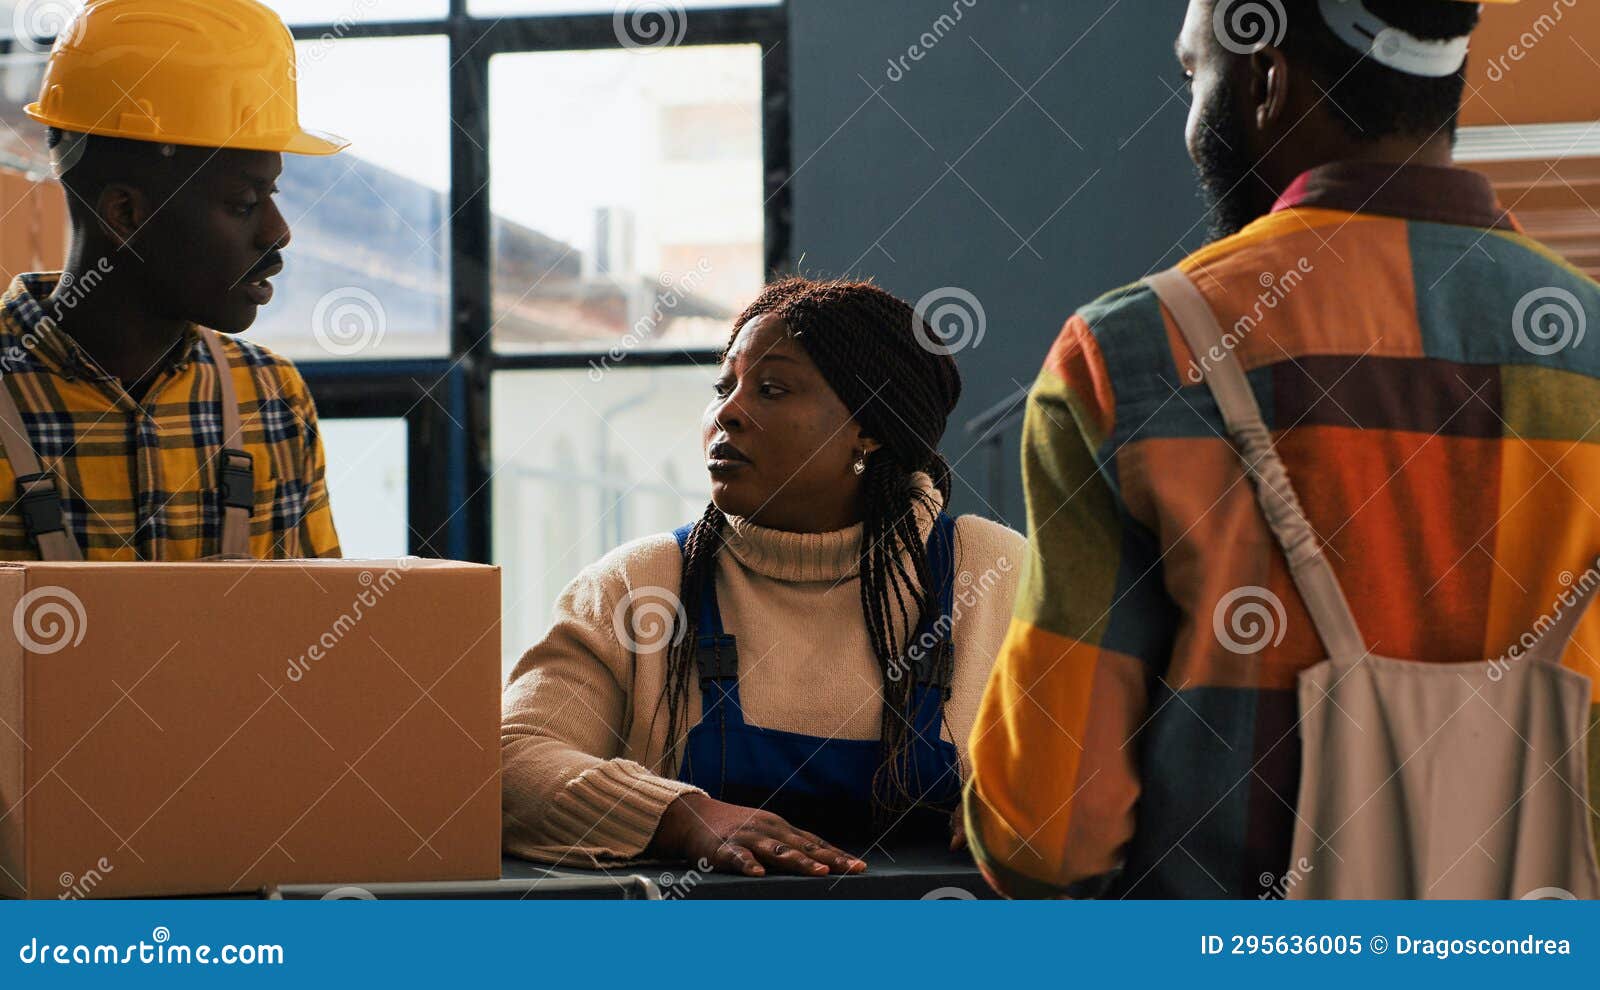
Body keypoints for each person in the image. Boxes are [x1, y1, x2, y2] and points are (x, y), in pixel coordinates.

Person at [966, 0, 1600, 898]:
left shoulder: (1135, 356)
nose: (1192, 115)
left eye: (1195, 75)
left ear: (1265, 79)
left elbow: (1050, 833)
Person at [503, 277, 1024, 876]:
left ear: (870, 429)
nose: (727, 412)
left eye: (771, 389)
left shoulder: (991, 573)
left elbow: (1108, 754)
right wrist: (680, 815)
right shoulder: (640, 585)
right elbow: (508, 763)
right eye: (724, 388)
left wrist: (1031, 793)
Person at [2, 0, 347, 561]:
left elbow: (317, 635)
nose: (278, 232)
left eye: (273, 194)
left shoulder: (273, 401)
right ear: (126, 215)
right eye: (243, 202)